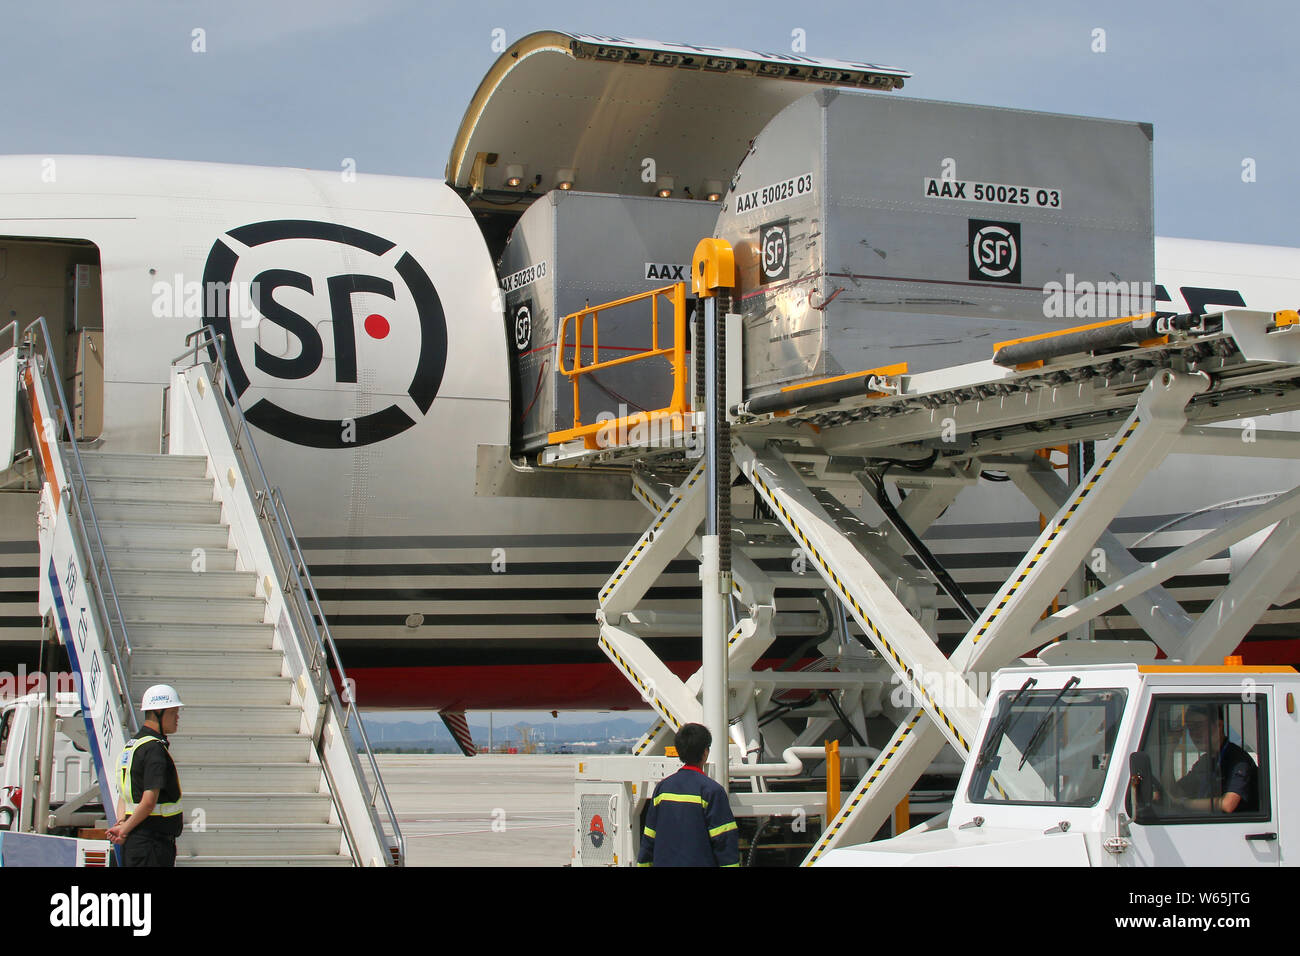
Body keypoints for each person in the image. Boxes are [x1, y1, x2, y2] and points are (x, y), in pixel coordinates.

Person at [637, 723, 739, 867]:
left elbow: (649, 838)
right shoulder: (712, 791)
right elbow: (724, 842)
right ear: (705, 752)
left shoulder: (662, 789)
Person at [107, 685, 185, 866]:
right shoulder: (154, 750)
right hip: (152, 845)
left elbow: (123, 795)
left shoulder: (132, 746)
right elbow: (149, 801)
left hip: (136, 842)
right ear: (159, 712)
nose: (177, 717)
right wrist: (124, 829)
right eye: (173, 712)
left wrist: (121, 823)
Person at [1172, 703, 1258, 814]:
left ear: (1219, 726)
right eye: (1190, 728)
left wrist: (1184, 803)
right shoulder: (1205, 761)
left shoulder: (1237, 759)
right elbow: (1176, 791)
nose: (1194, 734)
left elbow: (1228, 804)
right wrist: (1170, 751)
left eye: (1198, 726)